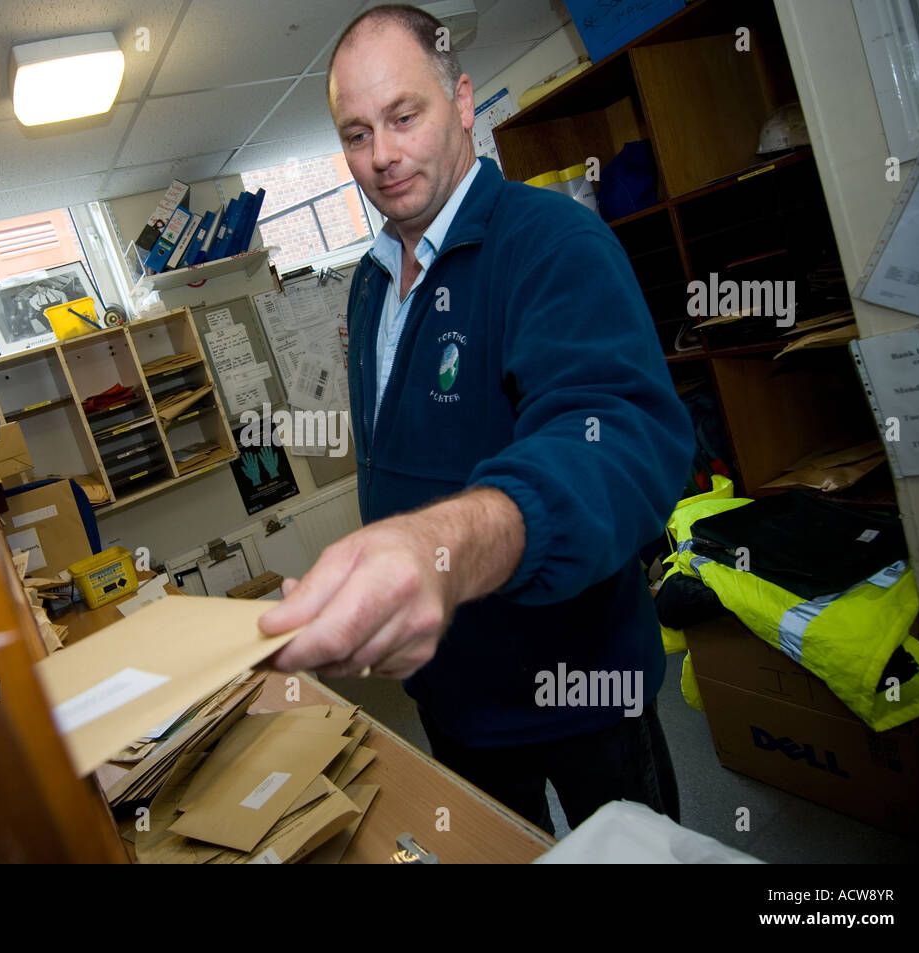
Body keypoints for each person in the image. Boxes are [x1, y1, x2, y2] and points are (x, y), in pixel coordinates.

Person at [258, 4, 695, 836]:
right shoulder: (366, 281)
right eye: (355, 133)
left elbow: (616, 438)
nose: (380, 156)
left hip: (581, 687)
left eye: (403, 116)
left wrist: (440, 550)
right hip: (452, 696)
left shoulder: (552, 241)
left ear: (462, 102)